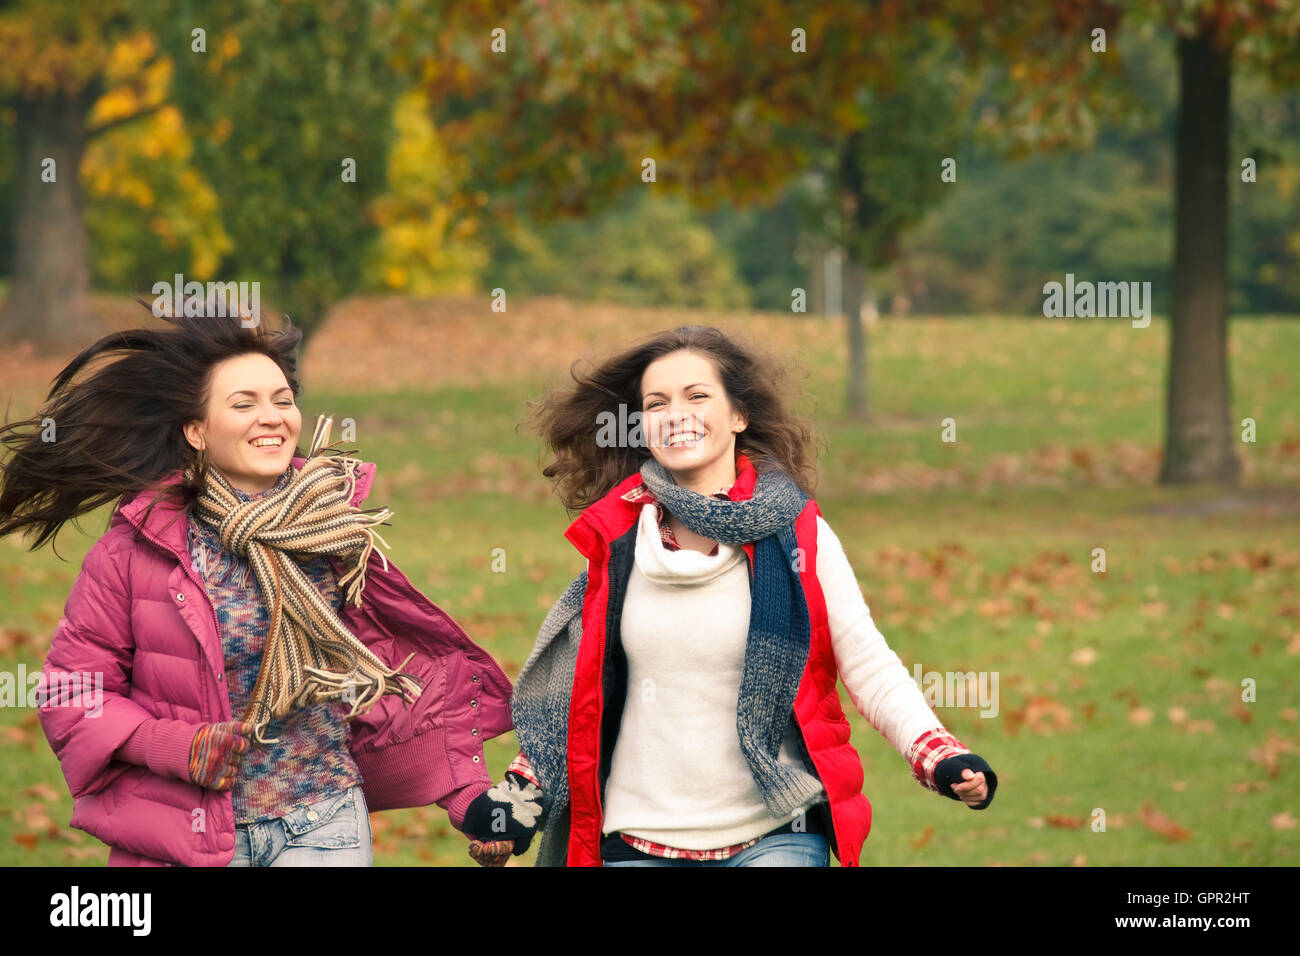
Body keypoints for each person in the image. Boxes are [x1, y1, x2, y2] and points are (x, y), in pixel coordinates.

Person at [0, 308, 536, 866]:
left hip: (324, 828)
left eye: (283, 400)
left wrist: (470, 800)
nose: (272, 417)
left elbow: (388, 683)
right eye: (244, 403)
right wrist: (176, 747)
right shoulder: (134, 553)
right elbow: (72, 693)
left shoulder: (333, 536)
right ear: (196, 430)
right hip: (192, 838)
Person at [469, 326, 998, 867]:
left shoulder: (798, 534)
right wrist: (519, 800)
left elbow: (867, 662)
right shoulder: (618, 541)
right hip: (636, 837)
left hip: (775, 834)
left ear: (738, 415)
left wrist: (939, 755)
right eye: (657, 403)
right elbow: (575, 693)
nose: (676, 413)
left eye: (697, 396)